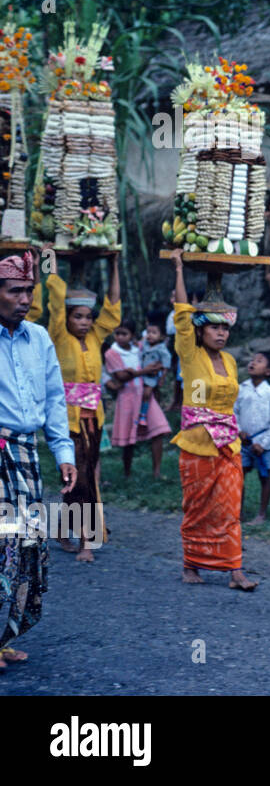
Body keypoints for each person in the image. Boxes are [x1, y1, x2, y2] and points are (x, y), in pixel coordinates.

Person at [0, 250, 76, 673]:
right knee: (2, 545)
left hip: (27, 456)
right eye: (15, 290)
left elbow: (54, 399)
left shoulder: (40, 338)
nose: (25, 298)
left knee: (27, 547)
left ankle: (4, 637)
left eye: (29, 290)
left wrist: (63, 452)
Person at [170, 251, 258, 591]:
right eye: (214, 327)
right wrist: (179, 269)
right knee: (197, 508)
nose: (221, 334)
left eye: (225, 328)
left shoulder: (232, 362)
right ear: (201, 329)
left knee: (230, 507)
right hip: (196, 442)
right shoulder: (189, 354)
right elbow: (181, 314)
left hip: (228, 444)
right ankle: (191, 563)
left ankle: (235, 569)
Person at [46, 262, 121, 562]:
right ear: (67, 317)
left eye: (88, 317)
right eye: (77, 316)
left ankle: (64, 529)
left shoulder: (94, 339)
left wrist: (114, 264)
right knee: (82, 480)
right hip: (67, 422)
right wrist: (51, 255)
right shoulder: (58, 336)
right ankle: (86, 543)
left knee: (83, 476)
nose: (85, 322)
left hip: (94, 420)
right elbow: (54, 293)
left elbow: (113, 309)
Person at [104, 320, 170, 480]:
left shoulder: (139, 348)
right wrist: (144, 371)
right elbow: (121, 376)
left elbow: (155, 364)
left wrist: (142, 375)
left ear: (132, 335)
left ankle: (157, 472)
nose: (120, 337)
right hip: (127, 397)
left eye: (124, 333)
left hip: (145, 394)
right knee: (129, 439)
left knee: (158, 430)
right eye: (117, 333)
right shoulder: (111, 353)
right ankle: (127, 472)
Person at [234, 352, 270, 525]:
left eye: (259, 361)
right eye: (252, 360)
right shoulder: (241, 389)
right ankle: (238, 511)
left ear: (268, 371)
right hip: (244, 442)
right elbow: (234, 412)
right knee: (239, 476)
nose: (253, 362)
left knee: (265, 477)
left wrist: (264, 443)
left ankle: (261, 514)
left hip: (263, 444)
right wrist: (239, 431)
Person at [138, 314, 172, 428]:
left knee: (147, 393)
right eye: (148, 332)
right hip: (142, 373)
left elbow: (166, 364)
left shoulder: (161, 348)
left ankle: (143, 415)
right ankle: (144, 410)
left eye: (154, 333)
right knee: (142, 393)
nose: (150, 335)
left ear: (161, 336)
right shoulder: (145, 344)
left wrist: (162, 377)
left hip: (153, 375)